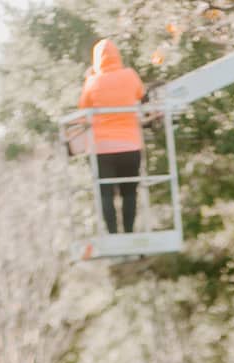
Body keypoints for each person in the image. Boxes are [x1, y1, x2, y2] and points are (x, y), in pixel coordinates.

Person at [79, 38, 147, 235]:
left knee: (105, 193)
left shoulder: (92, 81)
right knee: (129, 193)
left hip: (102, 148)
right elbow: (142, 96)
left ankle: (112, 234)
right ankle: (129, 231)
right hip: (130, 145)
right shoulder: (130, 75)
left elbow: (84, 107)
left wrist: (91, 77)